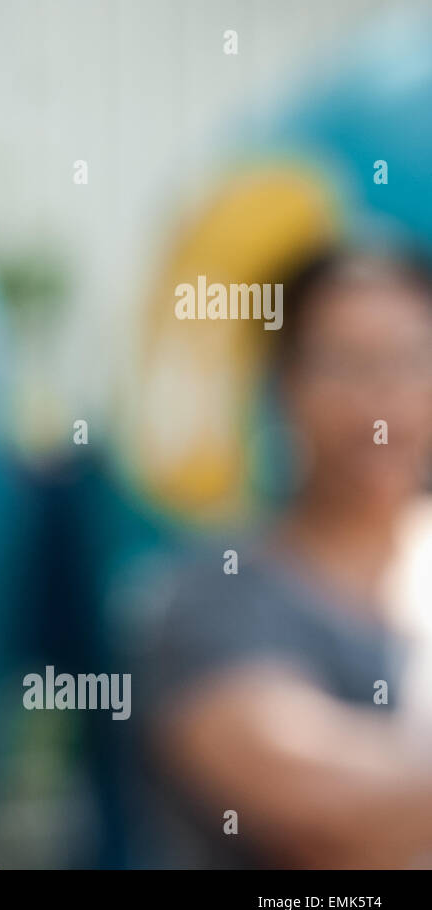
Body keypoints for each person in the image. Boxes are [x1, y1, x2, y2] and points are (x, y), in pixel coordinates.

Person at [133, 244, 432, 867]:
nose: (380, 397)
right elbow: (326, 816)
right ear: (284, 385)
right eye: (344, 363)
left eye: (407, 360)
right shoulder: (215, 594)